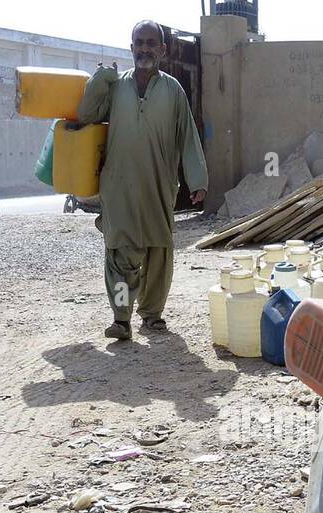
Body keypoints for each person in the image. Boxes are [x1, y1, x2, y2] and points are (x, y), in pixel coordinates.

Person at [77, 20, 208, 340]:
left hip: (159, 184)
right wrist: (98, 80)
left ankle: (152, 315)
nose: (145, 48)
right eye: (140, 42)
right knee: (120, 253)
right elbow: (87, 116)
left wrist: (197, 179)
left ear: (162, 50)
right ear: (131, 47)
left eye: (152, 43)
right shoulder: (115, 85)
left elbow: (188, 136)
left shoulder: (173, 89)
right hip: (118, 185)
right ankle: (121, 318)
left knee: (158, 251)